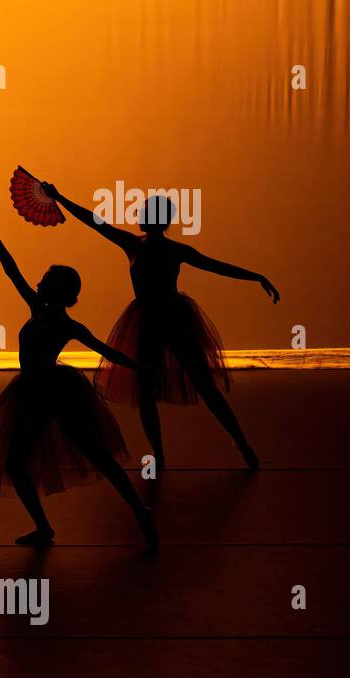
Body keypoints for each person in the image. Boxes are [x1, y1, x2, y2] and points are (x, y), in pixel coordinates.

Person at [41, 182, 279, 470]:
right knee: (147, 391)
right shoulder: (134, 244)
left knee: (200, 385)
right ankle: (160, 454)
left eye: (144, 211)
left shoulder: (165, 248)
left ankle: (239, 440)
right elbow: (93, 221)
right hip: (150, 320)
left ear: (158, 220)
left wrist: (256, 277)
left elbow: (215, 265)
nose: (139, 214)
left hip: (171, 318)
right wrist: (60, 197)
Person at [0, 213, 157, 547]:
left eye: (45, 279)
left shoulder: (46, 314)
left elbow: (106, 352)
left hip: (42, 392)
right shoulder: (54, 317)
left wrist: (141, 368)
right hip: (45, 391)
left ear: (54, 289)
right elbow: (11, 270)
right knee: (87, 455)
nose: (39, 282)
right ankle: (59, 525)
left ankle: (131, 512)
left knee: (42, 459)